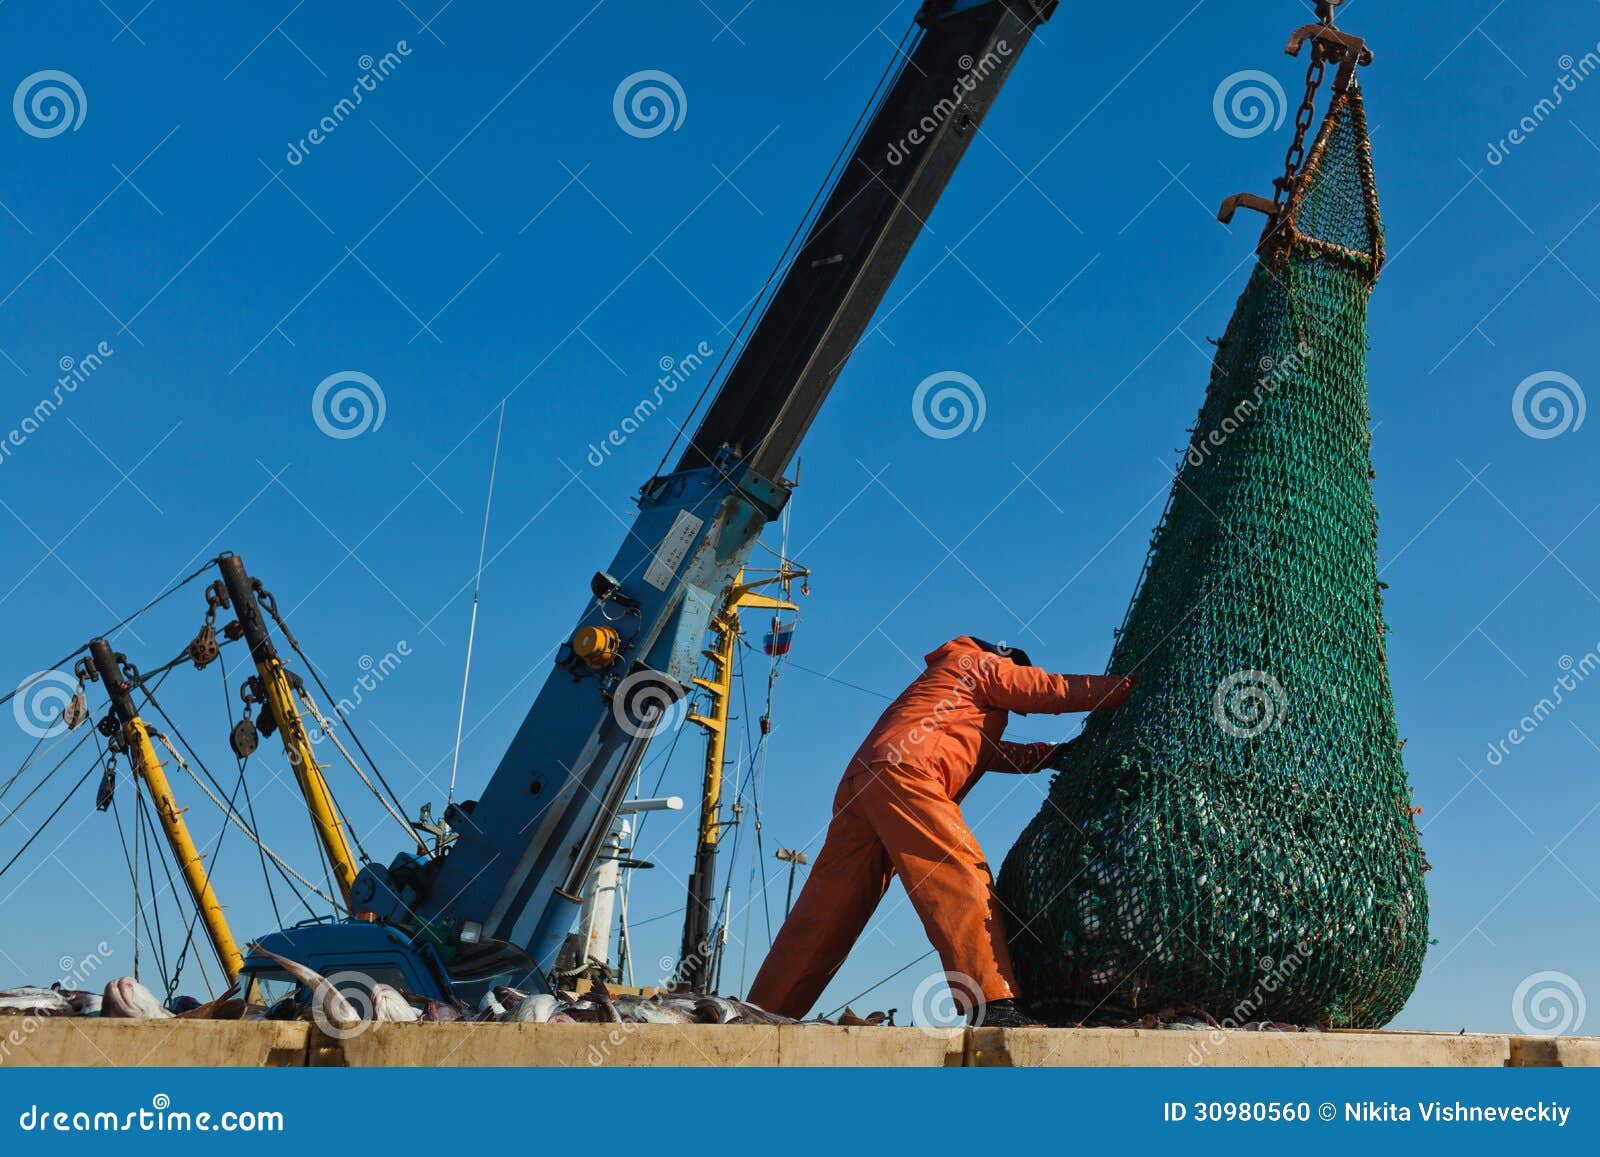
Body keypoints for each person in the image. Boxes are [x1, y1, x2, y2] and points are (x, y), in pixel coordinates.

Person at [745, 636, 1135, 1027]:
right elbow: (1049, 690)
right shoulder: (981, 664)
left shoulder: (946, 688)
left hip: (864, 782)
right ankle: (990, 1002)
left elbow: (989, 751)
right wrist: (1127, 687)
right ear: (1006, 659)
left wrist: (1048, 755)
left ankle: (761, 1011)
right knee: (958, 875)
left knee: (827, 909)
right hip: (908, 773)